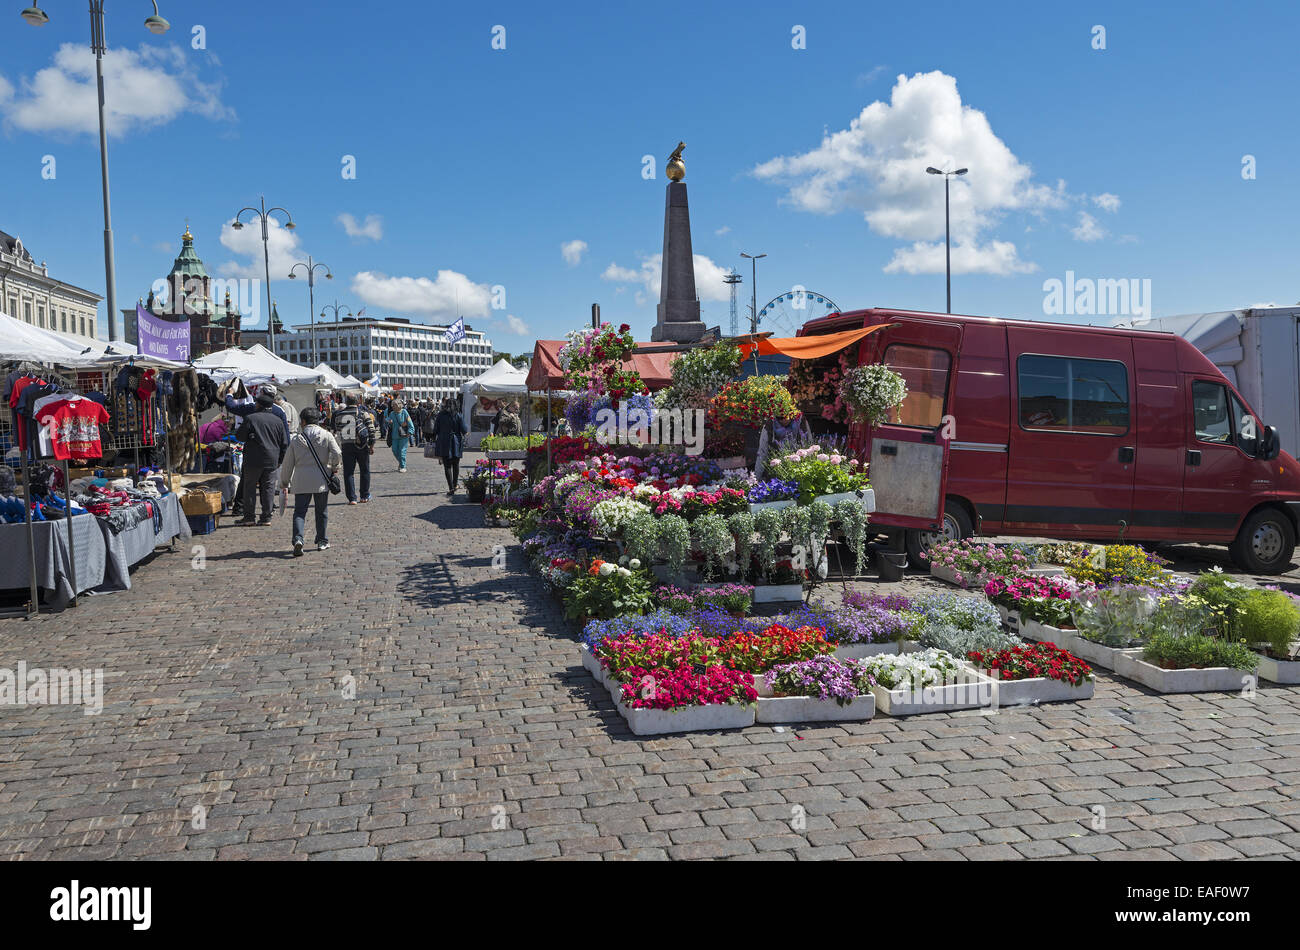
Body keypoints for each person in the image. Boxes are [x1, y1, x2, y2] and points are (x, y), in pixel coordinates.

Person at [281, 406, 343, 556]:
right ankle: (322, 540)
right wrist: (334, 467)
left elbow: (288, 463)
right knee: (321, 511)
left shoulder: (296, 439)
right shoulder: (326, 435)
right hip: (321, 478)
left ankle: (298, 539)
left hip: (301, 479)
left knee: (300, 512)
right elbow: (337, 452)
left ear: (303, 421)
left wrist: (284, 482)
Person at [234, 389, 289, 525]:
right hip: (272, 460)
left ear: (259, 405)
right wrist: (280, 460)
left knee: (250, 488)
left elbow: (239, 436)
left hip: (253, 459)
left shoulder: (251, 418)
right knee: (268, 489)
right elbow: (284, 443)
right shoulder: (278, 421)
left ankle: (249, 517)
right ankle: (266, 517)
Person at [332, 393, 376, 504]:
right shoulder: (363, 413)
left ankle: (352, 498)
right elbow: (371, 430)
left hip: (346, 445)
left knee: (348, 472)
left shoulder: (339, 414)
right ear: (357, 402)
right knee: (364, 470)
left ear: (346, 402)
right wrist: (371, 445)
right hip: (361, 445)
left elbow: (337, 428)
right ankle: (364, 496)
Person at [432, 397, 468, 498]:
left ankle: (451, 487)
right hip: (456, 442)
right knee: (456, 464)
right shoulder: (458, 415)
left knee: (447, 465)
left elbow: (435, 430)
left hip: (443, 441)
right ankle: (455, 484)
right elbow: (464, 430)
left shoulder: (440, 415)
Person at [386, 398, 415, 473]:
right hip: (394, 436)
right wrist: (388, 421)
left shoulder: (404, 412)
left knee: (402, 451)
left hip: (404, 435)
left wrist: (410, 431)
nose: (393, 407)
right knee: (394, 450)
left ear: (399, 405)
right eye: (392, 405)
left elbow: (410, 423)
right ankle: (401, 462)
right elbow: (387, 421)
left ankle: (403, 466)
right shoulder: (392, 413)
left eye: (394, 405)